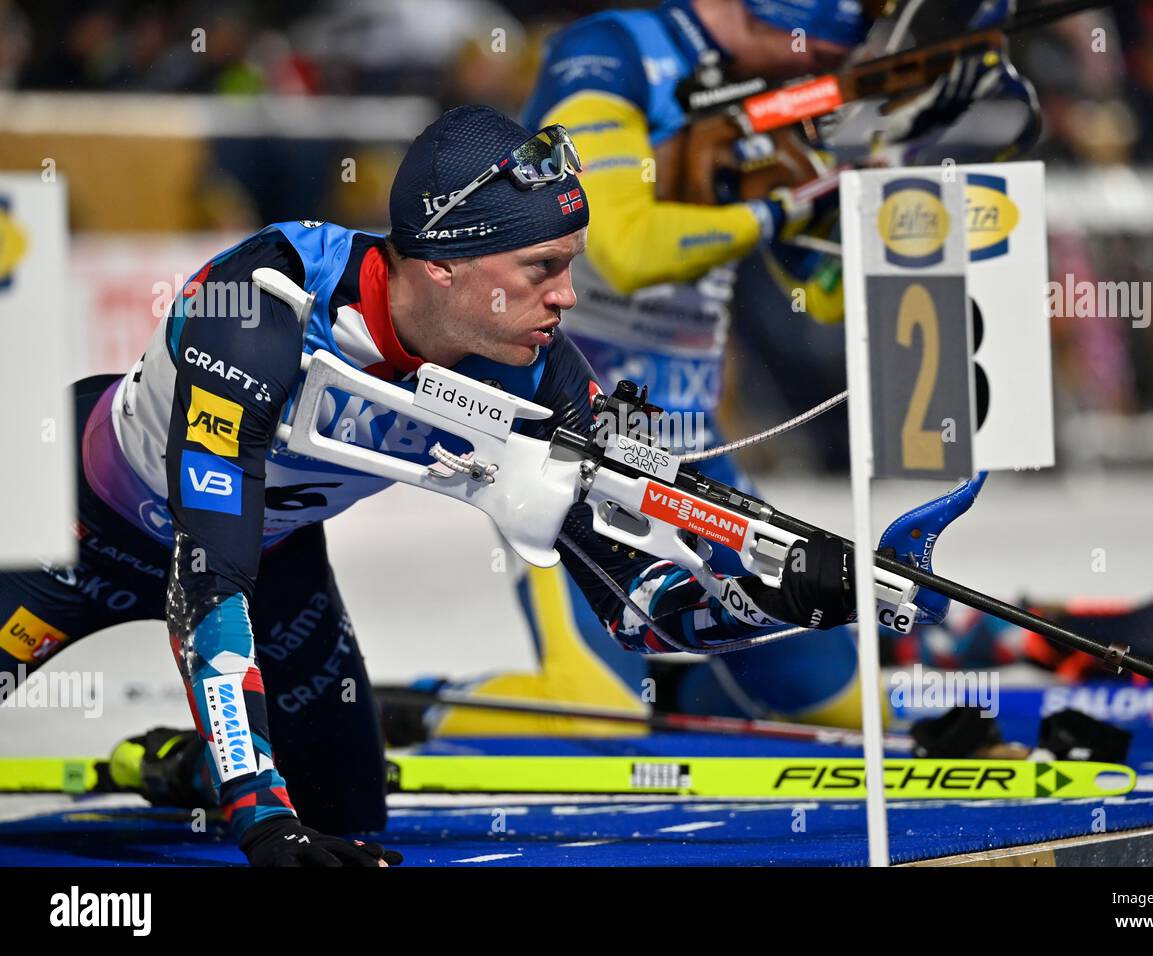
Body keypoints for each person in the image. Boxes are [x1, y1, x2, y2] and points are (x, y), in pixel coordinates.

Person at [0, 105, 857, 866]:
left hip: (272, 556)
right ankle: (208, 773)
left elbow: (632, 613)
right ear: (447, 266)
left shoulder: (539, 369)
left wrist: (777, 603)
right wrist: (257, 813)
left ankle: (174, 765)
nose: (567, 298)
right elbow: (206, 577)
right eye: (541, 269)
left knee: (350, 822)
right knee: (277, 816)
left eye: (570, 266)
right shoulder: (260, 299)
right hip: (75, 530)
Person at [410, 0, 1041, 738]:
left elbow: (828, 295)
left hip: (691, 443)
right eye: (855, 22)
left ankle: (689, 689)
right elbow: (626, 246)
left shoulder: (766, 82)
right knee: (600, 714)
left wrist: (891, 172)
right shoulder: (614, 50)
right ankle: (416, 712)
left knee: (846, 704)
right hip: (573, 438)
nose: (846, 52)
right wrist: (781, 203)